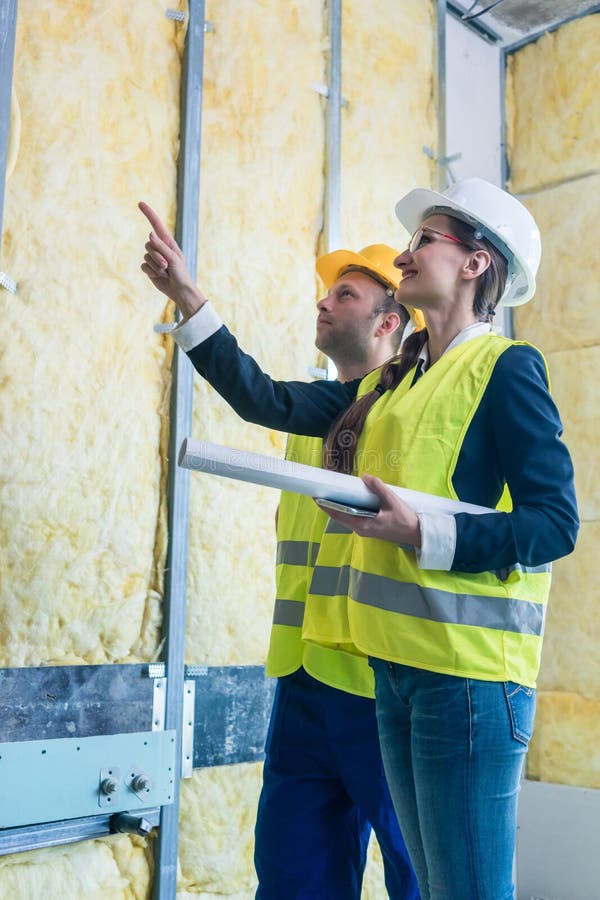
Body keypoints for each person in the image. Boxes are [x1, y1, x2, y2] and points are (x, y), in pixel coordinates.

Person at [139, 178, 579, 900]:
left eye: (424, 240)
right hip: (397, 671)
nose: (405, 255)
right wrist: (189, 299)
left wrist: (421, 531)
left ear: (475, 263)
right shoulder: (392, 386)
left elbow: (554, 524)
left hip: (470, 680)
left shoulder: (504, 368)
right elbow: (265, 399)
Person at [256, 245, 421, 899]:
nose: (323, 302)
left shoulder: (407, 415)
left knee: (419, 872)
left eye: (345, 294)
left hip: (378, 683)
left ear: (388, 322)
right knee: (294, 875)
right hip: (302, 676)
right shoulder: (311, 417)